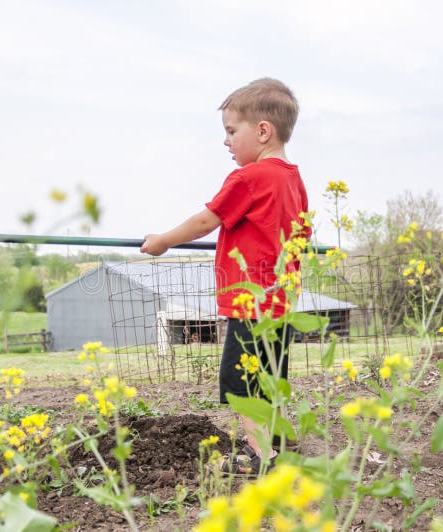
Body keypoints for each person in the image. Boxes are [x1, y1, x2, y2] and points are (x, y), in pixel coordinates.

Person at [141, 78, 310, 474]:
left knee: (241, 384)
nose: (226, 142)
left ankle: (260, 457)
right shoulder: (293, 180)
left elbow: (206, 220)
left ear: (263, 131)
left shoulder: (248, 178)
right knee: (269, 377)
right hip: (280, 302)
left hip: (250, 303)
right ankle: (280, 442)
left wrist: (164, 240)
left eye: (232, 131)